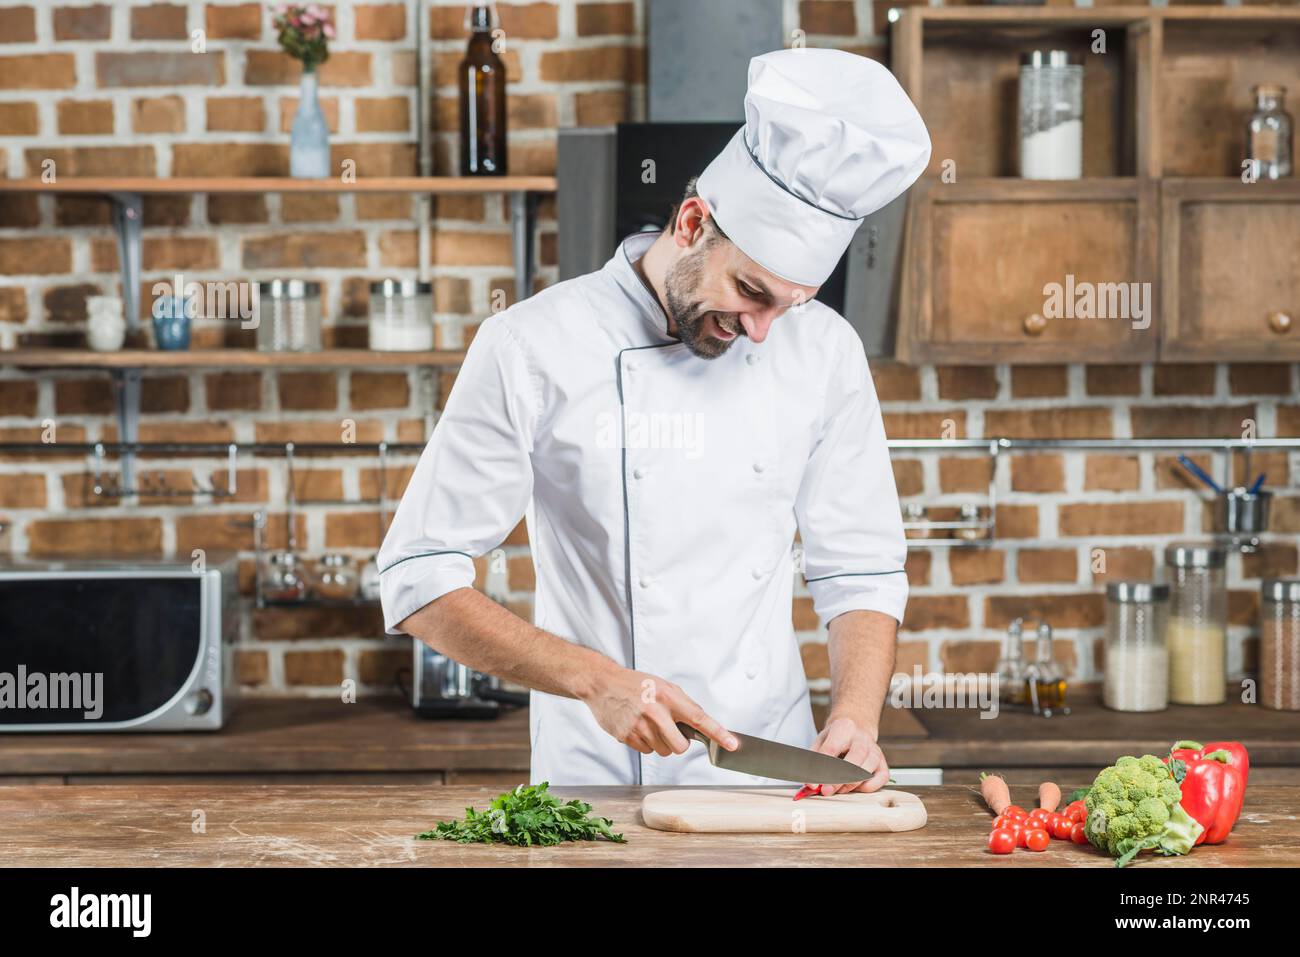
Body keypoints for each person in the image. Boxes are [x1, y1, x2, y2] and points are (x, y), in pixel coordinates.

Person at [379, 48, 931, 790]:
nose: (763, 329)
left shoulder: (826, 351)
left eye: (790, 305)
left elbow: (859, 567)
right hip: (600, 784)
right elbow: (419, 576)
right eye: (750, 291)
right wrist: (594, 678)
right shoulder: (532, 344)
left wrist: (857, 717)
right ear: (693, 219)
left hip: (771, 784)